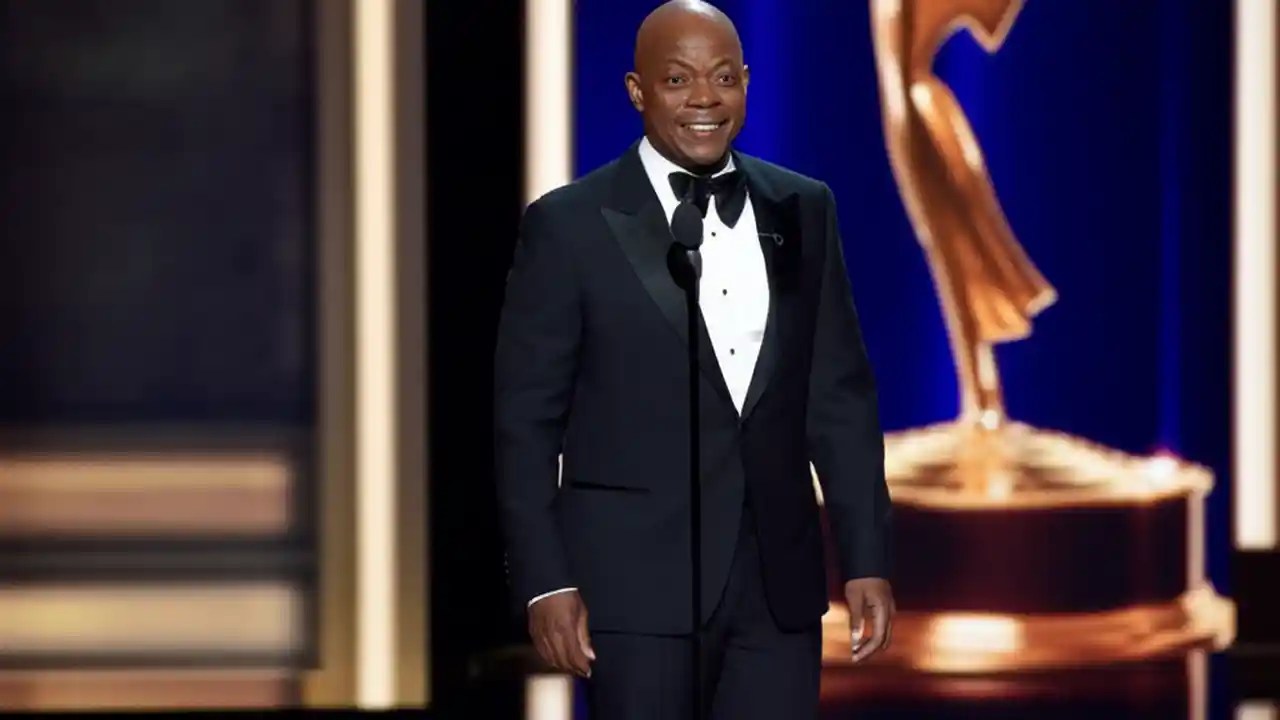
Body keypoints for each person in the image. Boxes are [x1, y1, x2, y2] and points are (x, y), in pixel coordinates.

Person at [494, 1, 894, 716]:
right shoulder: (568, 226)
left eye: (721, 77)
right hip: (632, 590)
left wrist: (866, 557)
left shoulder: (804, 208)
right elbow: (524, 424)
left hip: (777, 587)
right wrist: (544, 581)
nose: (704, 98)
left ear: (745, 82)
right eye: (677, 80)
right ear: (636, 90)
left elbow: (838, 399)